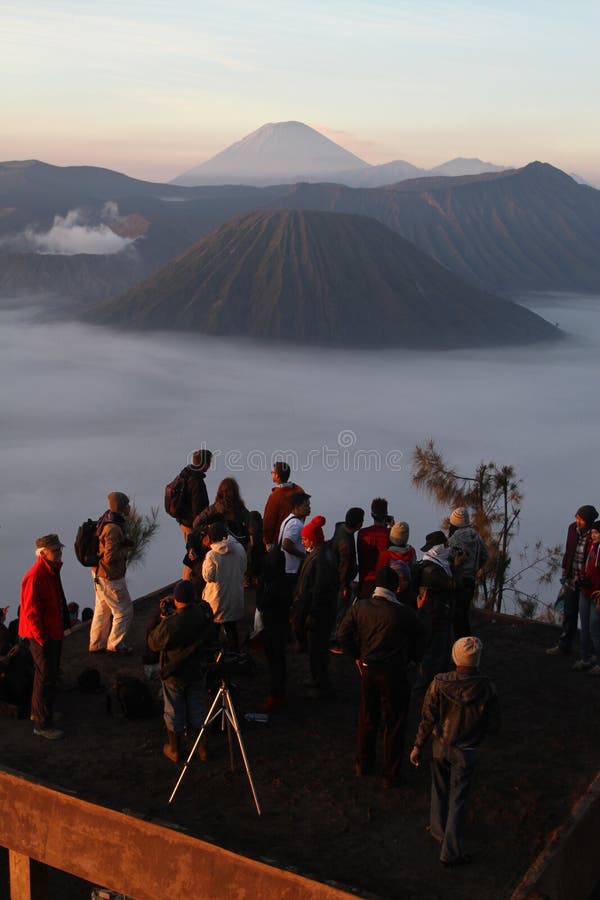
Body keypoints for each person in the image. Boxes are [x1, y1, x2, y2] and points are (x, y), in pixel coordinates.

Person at [410, 636, 499, 867]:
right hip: (467, 750)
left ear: (455, 657)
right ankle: (450, 851)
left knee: (438, 788)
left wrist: (418, 745)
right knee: (458, 799)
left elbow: (428, 718)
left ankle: (438, 830)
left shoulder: (439, 683)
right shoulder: (487, 688)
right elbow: (493, 723)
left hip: (441, 745)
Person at [338, 566, 425, 787]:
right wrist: (412, 660)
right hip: (394, 672)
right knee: (394, 723)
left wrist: (356, 657)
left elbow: (343, 634)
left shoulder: (361, 607)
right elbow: (421, 638)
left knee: (368, 716)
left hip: (368, 668)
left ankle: (363, 764)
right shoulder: (403, 613)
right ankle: (390, 774)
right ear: (396, 587)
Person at [147, 580, 217, 763]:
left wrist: (162, 619)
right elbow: (206, 606)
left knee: (173, 712)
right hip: (197, 670)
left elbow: (153, 643)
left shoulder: (172, 624)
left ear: (177, 600)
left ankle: (175, 749)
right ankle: (203, 749)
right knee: (198, 709)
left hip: (175, 675)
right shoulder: (203, 613)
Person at [19, 534, 70, 739]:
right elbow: (31, 612)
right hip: (42, 636)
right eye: (55, 551)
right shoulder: (36, 576)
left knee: (48, 674)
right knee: (45, 676)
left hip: (51, 632)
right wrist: (41, 638)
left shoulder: (51, 571)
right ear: (43, 553)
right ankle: (42, 723)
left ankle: (39, 713)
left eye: (59, 550)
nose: (59, 553)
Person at [294, 516, 339, 696]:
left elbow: (319, 589)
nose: (302, 541)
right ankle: (318, 679)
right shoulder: (325, 553)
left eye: (304, 539)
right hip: (323, 611)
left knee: (317, 649)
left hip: (319, 613)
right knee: (318, 648)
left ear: (311, 539)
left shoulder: (320, 558)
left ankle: (319, 682)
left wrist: (311, 612)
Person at [547, 504, 598, 657]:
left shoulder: (595, 534)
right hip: (571, 579)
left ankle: (590, 653)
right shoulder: (572, 529)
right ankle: (564, 645)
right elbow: (568, 550)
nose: (577, 521)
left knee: (588, 620)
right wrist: (564, 569)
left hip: (586, 583)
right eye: (577, 517)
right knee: (569, 614)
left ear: (588, 521)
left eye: (581, 519)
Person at [89, 491, 135, 655]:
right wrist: (125, 549)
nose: (130, 508)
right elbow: (110, 557)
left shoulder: (105, 519)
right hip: (110, 575)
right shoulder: (113, 528)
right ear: (122, 508)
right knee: (124, 610)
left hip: (99, 574)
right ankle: (115, 644)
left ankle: (96, 643)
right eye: (127, 505)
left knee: (102, 609)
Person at [414, 531, 460, 689]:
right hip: (435, 615)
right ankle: (426, 685)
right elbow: (453, 585)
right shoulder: (433, 571)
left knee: (438, 650)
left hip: (435, 614)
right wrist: (458, 567)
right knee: (434, 651)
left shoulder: (434, 564)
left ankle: (432, 681)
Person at [201, 521, 247, 651]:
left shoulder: (212, 555)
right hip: (235, 597)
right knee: (232, 629)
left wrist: (207, 553)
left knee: (214, 632)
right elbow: (243, 568)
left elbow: (208, 577)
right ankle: (235, 656)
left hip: (216, 601)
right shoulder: (239, 548)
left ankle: (215, 657)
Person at [447, 508, 488, 639]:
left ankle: (461, 644)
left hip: (458, 579)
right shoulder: (476, 536)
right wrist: (476, 567)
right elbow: (485, 555)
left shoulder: (453, 539)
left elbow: (448, 559)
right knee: (464, 612)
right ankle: (466, 640)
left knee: (456, 614)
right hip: (471, 580)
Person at [173, 449, 212, 579]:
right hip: (192, 524)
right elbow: (198, 508)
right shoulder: (196, 481)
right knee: (192, 555)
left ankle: (188, 585)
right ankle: (187, 586)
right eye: (209, 462)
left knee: (191, 553)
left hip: (184, 521)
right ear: (204, 464)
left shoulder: (186, 475)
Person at [330, 507, 364, 633]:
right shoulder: (346, 544)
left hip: (333, 575)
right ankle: (336, 638)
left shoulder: (340, 527)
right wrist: (344, 586)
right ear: (359, 524)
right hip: (340, 581)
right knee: (341, 609)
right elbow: (344, 567)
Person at [573, 519, 600, 674]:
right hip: (585, 592)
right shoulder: (592, 548)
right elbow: (587, 567)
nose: (594, 536)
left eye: (597, 533)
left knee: (595, 631)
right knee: (585, 628)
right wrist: (581, 578)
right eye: (593, 533)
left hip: (597, 596)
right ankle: (585, 659)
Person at [194, 477, 250, 548]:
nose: (226, 494)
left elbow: (250, 521)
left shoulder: (239, 508)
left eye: (228, 491)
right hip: (220, 545)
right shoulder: (214, 509)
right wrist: (209, 529)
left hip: (232, 545)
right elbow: (196, 523)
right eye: (224, 491)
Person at [263, 461, 306, 549]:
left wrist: (267, 541)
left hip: (278, 542)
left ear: (277, 476)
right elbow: (304, 512)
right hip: (297, 538)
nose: (272, 474)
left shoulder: (275, 496)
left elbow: (269, 520)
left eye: (273, 472)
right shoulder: (299, 490)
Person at [357, 498, 391, 598]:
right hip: (385, 583)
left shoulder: (363, 533)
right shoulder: (390, 534)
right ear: (386, 514)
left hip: (366, 581)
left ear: (372, 514)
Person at [278, 492, 312, 592]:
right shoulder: (296, 524)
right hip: (292, 569)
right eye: (306, 505)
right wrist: (305, 556)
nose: (309, 508)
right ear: (297, 506)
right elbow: (286, 545)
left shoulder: (288, 520)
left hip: (286, 567)